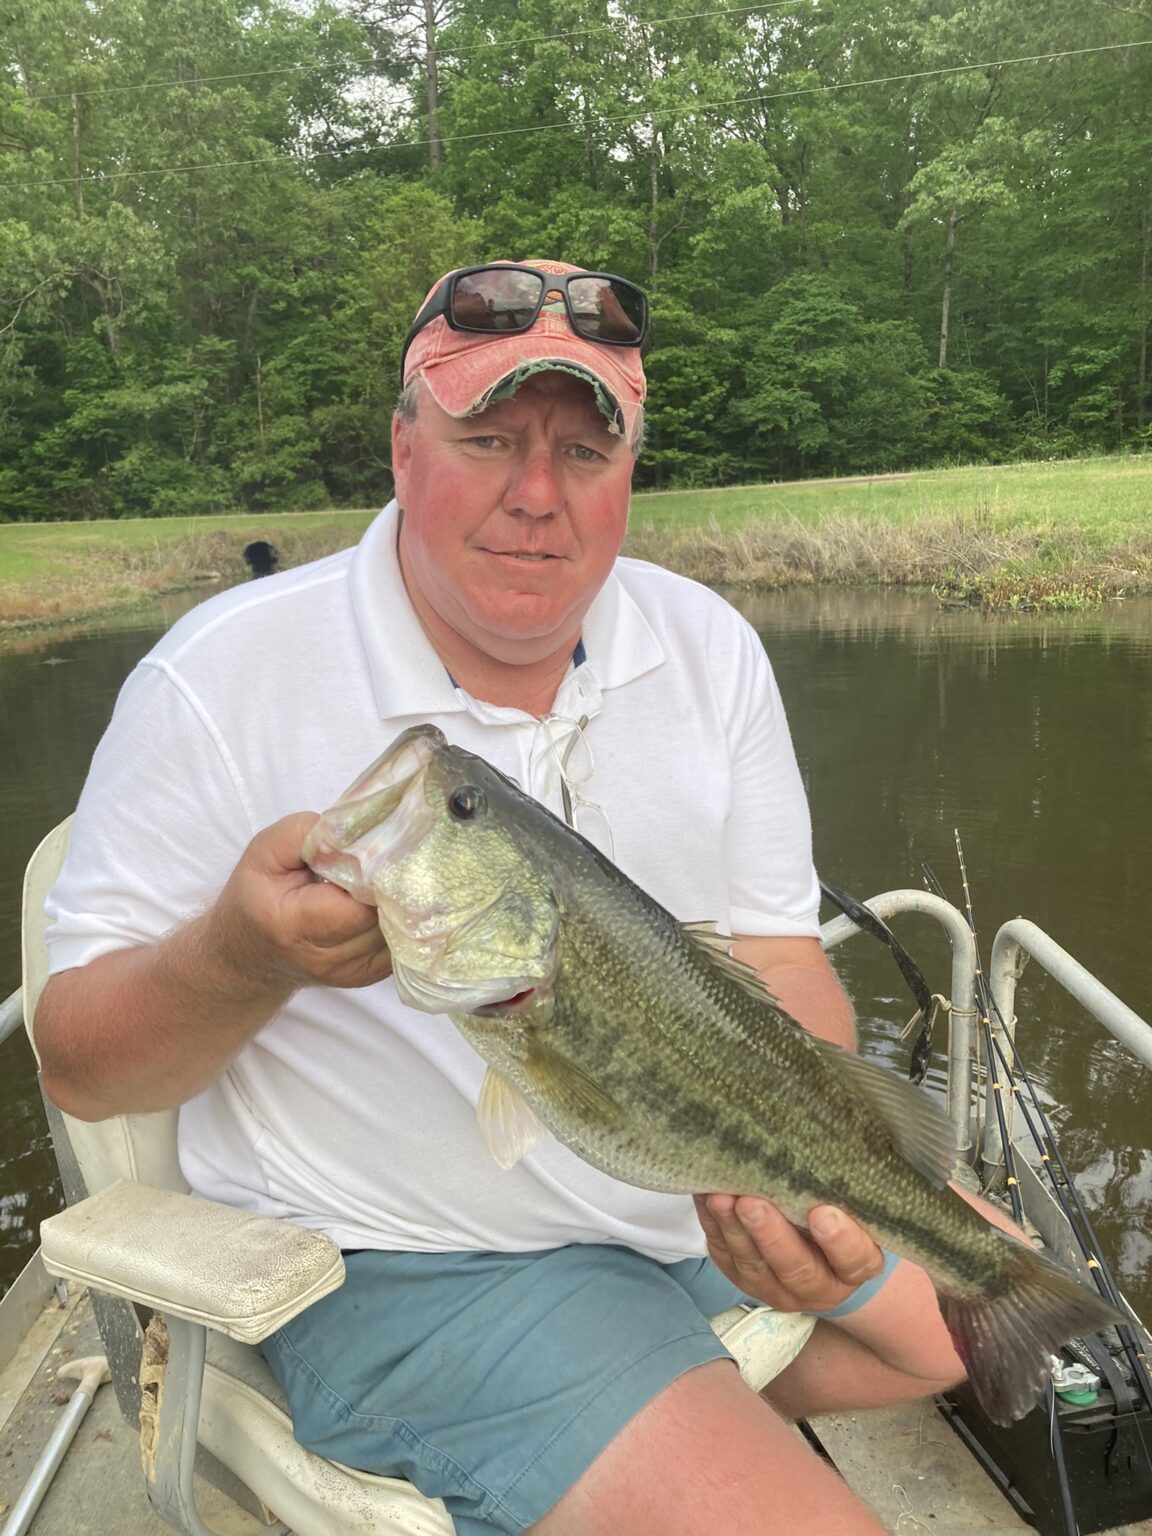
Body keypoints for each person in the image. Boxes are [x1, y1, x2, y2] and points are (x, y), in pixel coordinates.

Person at [37, 258, 995, 1536]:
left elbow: (782, 961)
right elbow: (79, 1068)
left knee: (968, 1325)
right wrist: (239, 954)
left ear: (630, 472)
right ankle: (630, 1431)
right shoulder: (219, 676)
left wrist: (813, 1188)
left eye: (584, 453)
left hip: (688, 1203)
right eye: (486, 440)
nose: (537, 496)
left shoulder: (709, 647)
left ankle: (643, 1431)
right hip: (425, 1268)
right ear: (403, 446)